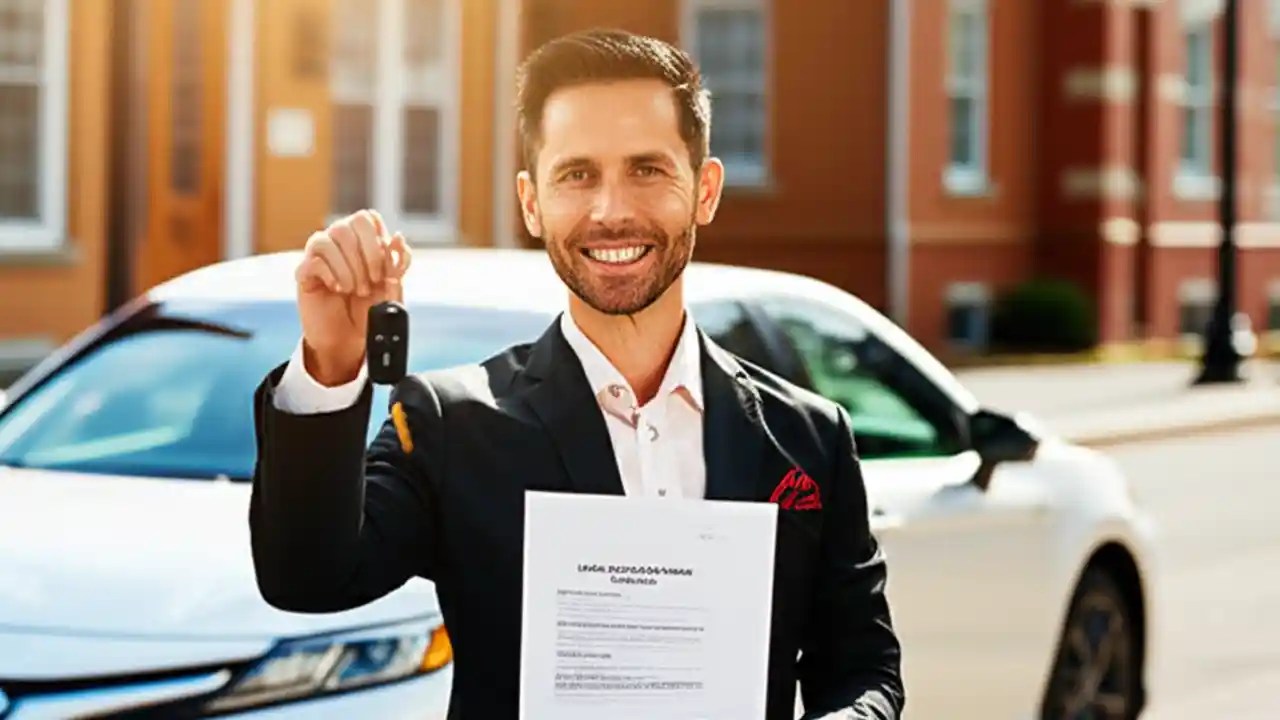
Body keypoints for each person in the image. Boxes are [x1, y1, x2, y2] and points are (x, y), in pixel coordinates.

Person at [249, 28, 904, 720]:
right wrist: (328, 363)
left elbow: (862, 669)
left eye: (647, 170)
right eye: (577, 174)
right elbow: (307, 579)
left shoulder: (808, 437)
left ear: (705, 190)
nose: (611, 210)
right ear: (532, 204)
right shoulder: (453, 425)